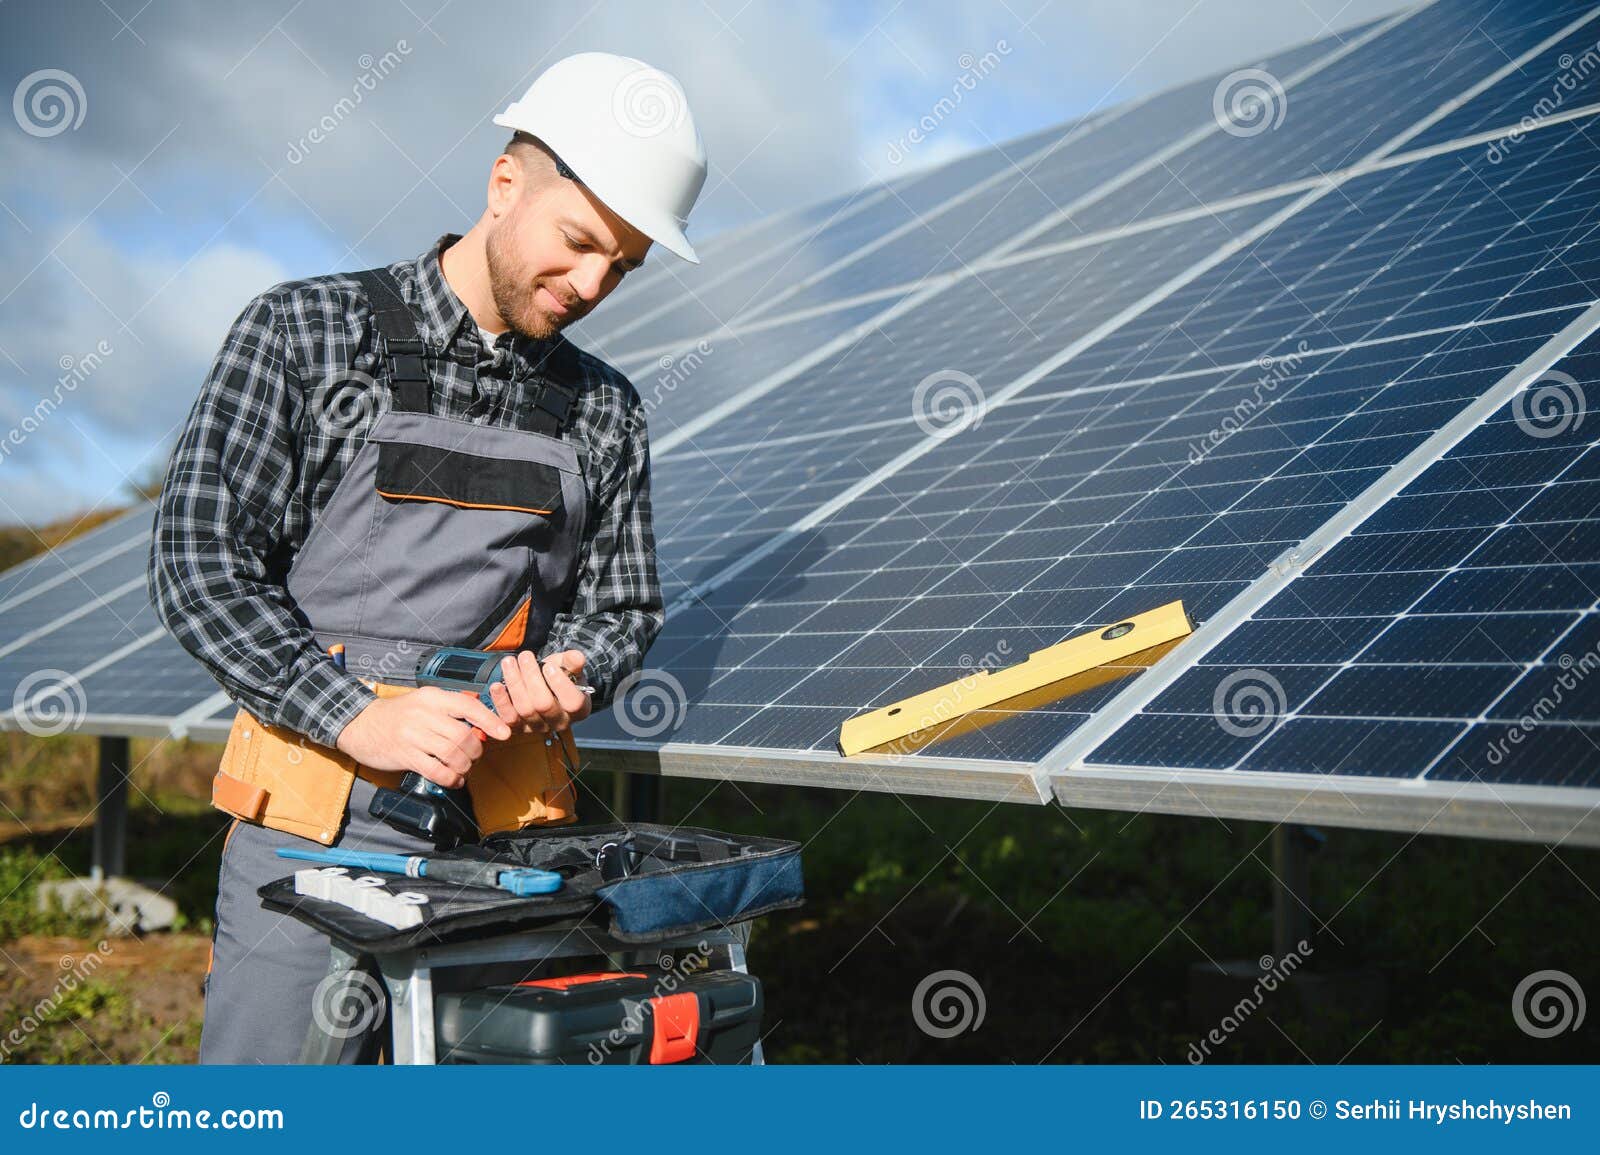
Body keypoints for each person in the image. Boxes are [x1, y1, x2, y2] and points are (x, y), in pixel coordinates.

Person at [148, 52, 707, 1063]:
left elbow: (620, 609)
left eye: (621, 268)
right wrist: (358, 718)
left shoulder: (607, 410)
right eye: (578, 243)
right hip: (310, 832)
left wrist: (573, 670)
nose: (590, 286)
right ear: (504, 185)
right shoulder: (307, 333)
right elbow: (199, 562)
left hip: (507, 845)